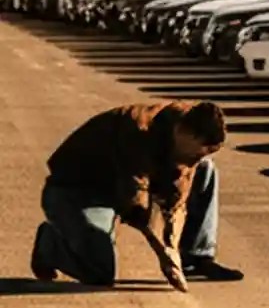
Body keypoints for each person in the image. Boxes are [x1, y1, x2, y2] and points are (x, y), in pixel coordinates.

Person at [30, 100, 244, 291]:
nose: (196, 158)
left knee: (207, 169)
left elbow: (177, 199)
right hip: (79, 190)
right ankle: (49, 244)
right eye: (197, 152)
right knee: (100, 273)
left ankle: (196, 257)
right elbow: (137, 206)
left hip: (122, 186)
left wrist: (173, 248)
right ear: (185, 133)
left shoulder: (187, 127)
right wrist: (164, 255)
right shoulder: (137, 130)